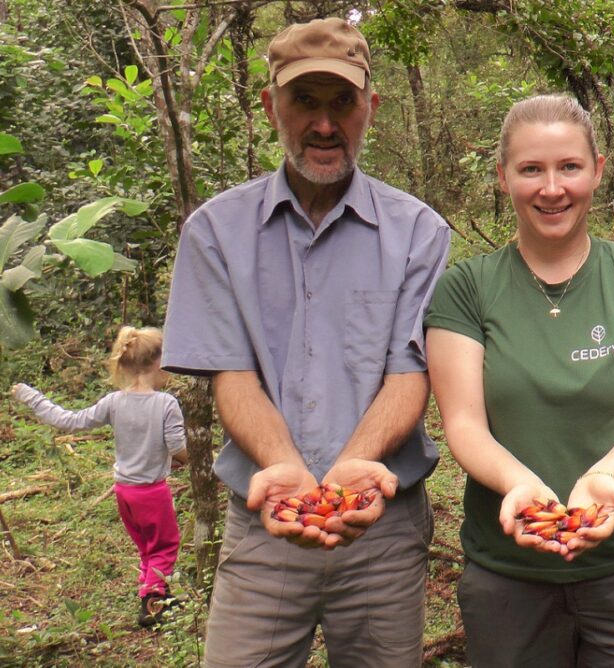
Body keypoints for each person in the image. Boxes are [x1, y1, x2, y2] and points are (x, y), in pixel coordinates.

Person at [161, 17, 450, 667]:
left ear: (369, 109)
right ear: (270, 107)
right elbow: (232, 376)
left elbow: (410, 374)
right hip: (265, 522)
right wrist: (288, 471)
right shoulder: (216, 233)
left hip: (385, 527)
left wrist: (348, 476)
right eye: (306, 101)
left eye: (342, 102)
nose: (325, 124)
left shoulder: (419, 233)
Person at [425, 94, 614, 667]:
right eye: (531, 169)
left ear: (597, 169)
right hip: (508, 577)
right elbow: (465, 423)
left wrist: (602, 478)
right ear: (503, 178)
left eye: (569, 167)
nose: (552, 188)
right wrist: (521, 485)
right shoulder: (466, 289)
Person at [11, 326, 187, 628]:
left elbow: (69, 421)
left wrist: (31, 396)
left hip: (124, 492)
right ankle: (153, 602)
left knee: (146, 545)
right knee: (164, 545)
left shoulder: (114, 401)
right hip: (152, 492)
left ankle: (153, 589)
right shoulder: (165, 404)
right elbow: (178, 447)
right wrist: (204, 461)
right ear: (157, 363)